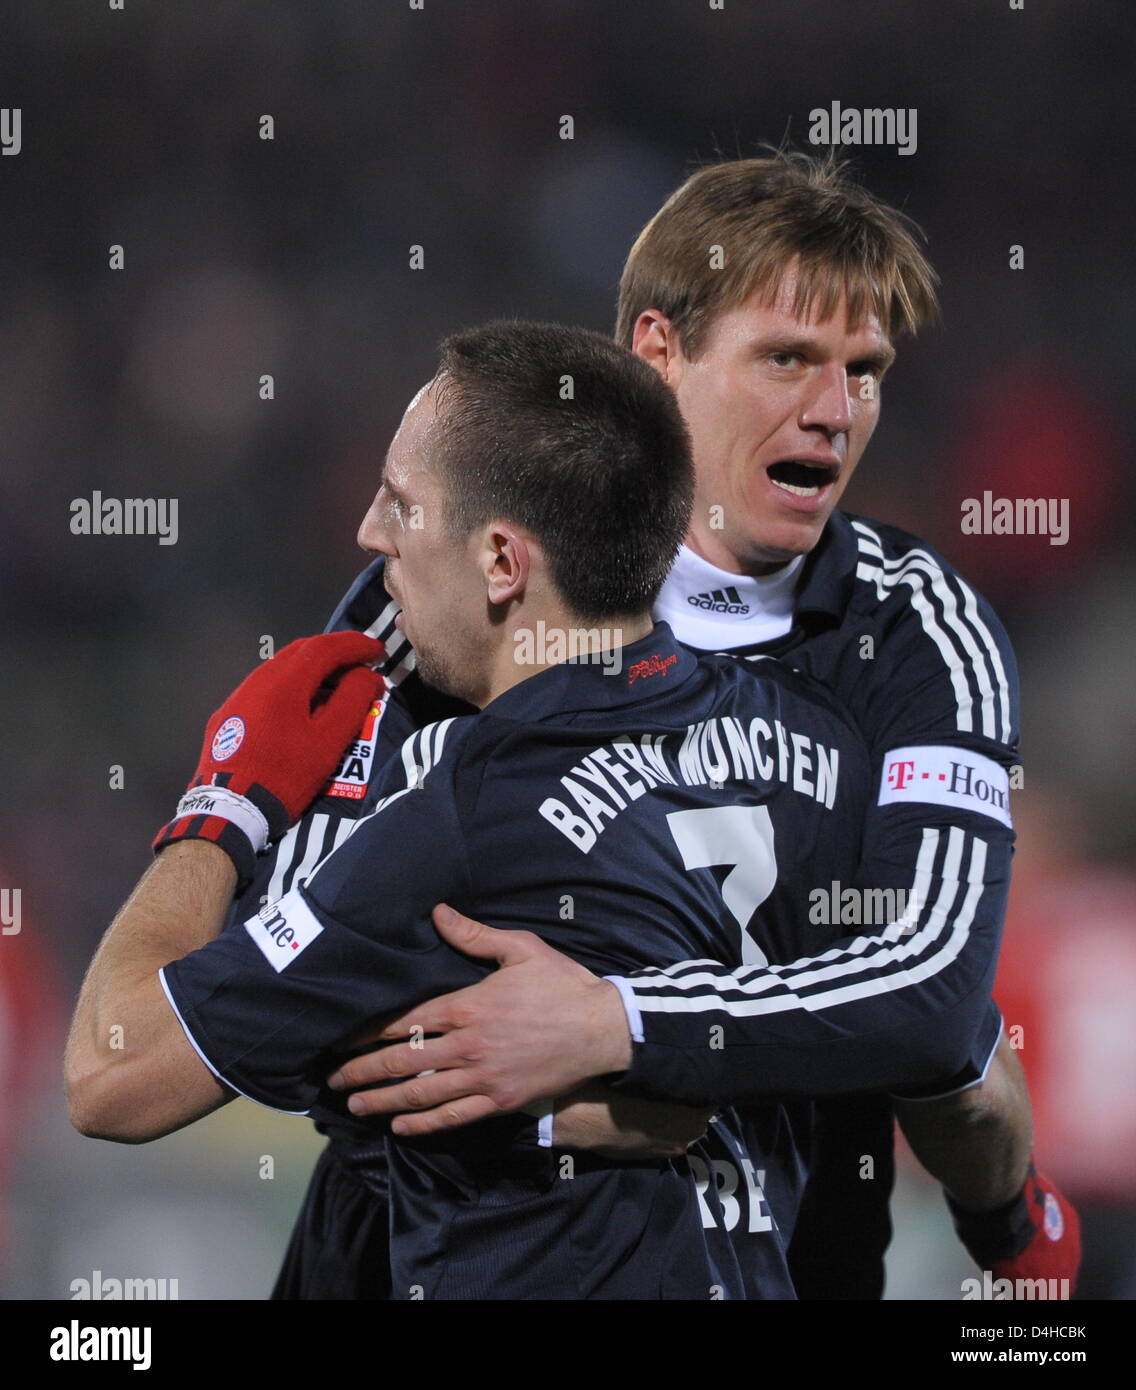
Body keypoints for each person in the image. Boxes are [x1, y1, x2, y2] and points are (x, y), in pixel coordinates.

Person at [322, 153, 1080, 1298]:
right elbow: (300, 940)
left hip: (785, 1260)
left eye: (862, 371)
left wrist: (615, 1025)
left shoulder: (915, 629)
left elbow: (926, 998)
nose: (831, 413)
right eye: (786, 359)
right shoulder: (470, 575)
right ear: (655, 355)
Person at [67, 320, 943, 1299]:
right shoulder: (799, 746)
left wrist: (217, 810)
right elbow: (958, 1066)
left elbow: (114, 1074)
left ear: (499, 561)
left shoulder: (465, 812)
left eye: (402, 504)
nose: (369, 532)